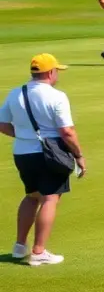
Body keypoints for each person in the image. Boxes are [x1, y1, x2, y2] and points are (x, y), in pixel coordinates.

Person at [1, 54, 86, 267]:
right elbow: (66, 132)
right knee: (50, 198)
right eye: (56, 71)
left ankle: (20, 247)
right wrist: (79, 156)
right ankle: (38, 252)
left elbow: (2, 124)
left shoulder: (15, 93)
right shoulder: (56, 96)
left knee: (31, 196)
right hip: (50, 155)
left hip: (22, 153)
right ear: (50, 73)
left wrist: (24, 136)